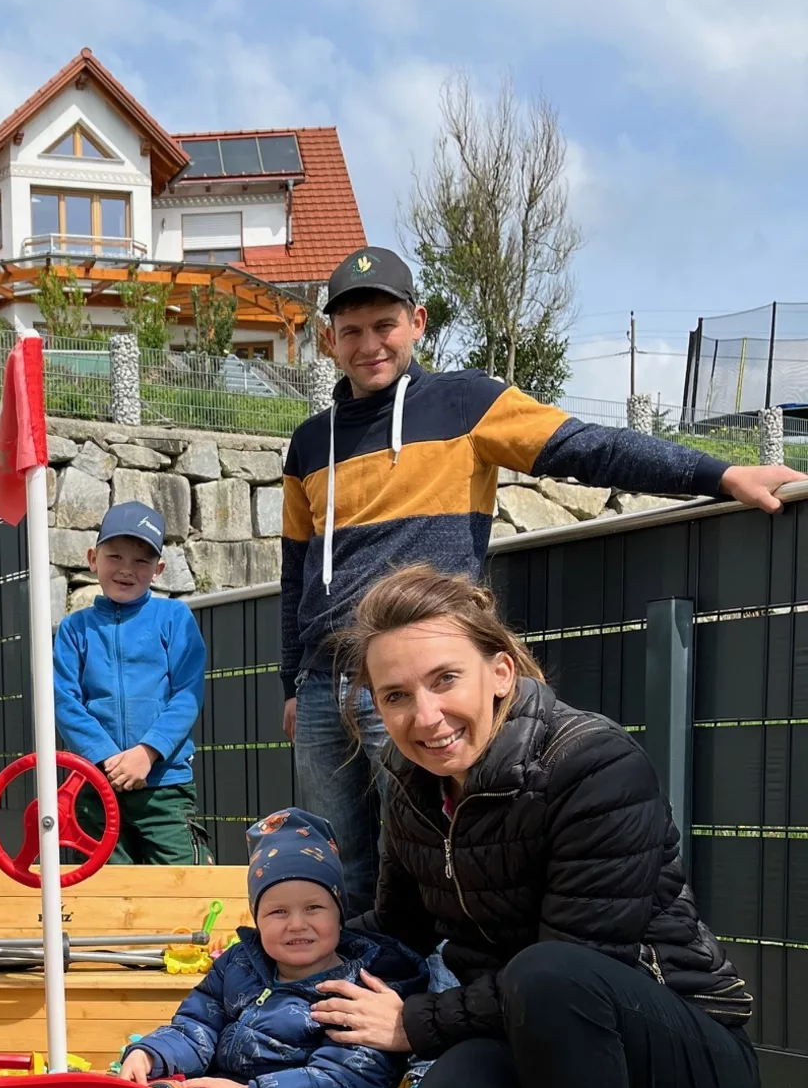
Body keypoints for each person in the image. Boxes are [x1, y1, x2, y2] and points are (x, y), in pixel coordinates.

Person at [309, 563, 759, 1088]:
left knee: (551, 975)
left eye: (444, 680)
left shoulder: (593, 764)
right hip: (535, 1032)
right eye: (396, 696)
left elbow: (580, 963)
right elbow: (399, 932)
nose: (424, 716)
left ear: (500, 670)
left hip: (684, 1055)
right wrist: (286, 944)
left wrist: (414, 1024)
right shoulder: (413, 792)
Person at [280, 245, 804, 911]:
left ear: (417, 322)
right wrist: (291, 682)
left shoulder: (466, 403)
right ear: (329, 340)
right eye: (351, 331)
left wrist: (719, 474)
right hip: (321, 688)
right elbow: (295, 571)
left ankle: (446, 983)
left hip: (419, 682)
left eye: (384, 325)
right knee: (336, 868)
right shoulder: (309, 442)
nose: (368, 344)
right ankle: (354, 980)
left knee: (435, 863)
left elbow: (589, 447)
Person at [119, 809, 426, 1088]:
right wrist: (152, 1054)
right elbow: (197, 1026)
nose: (296, 924)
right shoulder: (240, 965)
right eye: (278, 911)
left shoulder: (359, 993)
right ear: (258, 918)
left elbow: (341, 1086)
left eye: (313, 908)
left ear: (340, 913)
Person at [53, 500, 209, 866]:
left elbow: (187, 695)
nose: (126, 569)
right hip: (95, 786)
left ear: (158, 569)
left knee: (181, 883)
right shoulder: (74, 629)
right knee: (105, 888)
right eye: (115, 557)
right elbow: (63, 701)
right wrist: (107, 759)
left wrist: (147, 753)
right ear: (93, 559)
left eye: (141, 560)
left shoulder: (175, 617)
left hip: (165, 786)